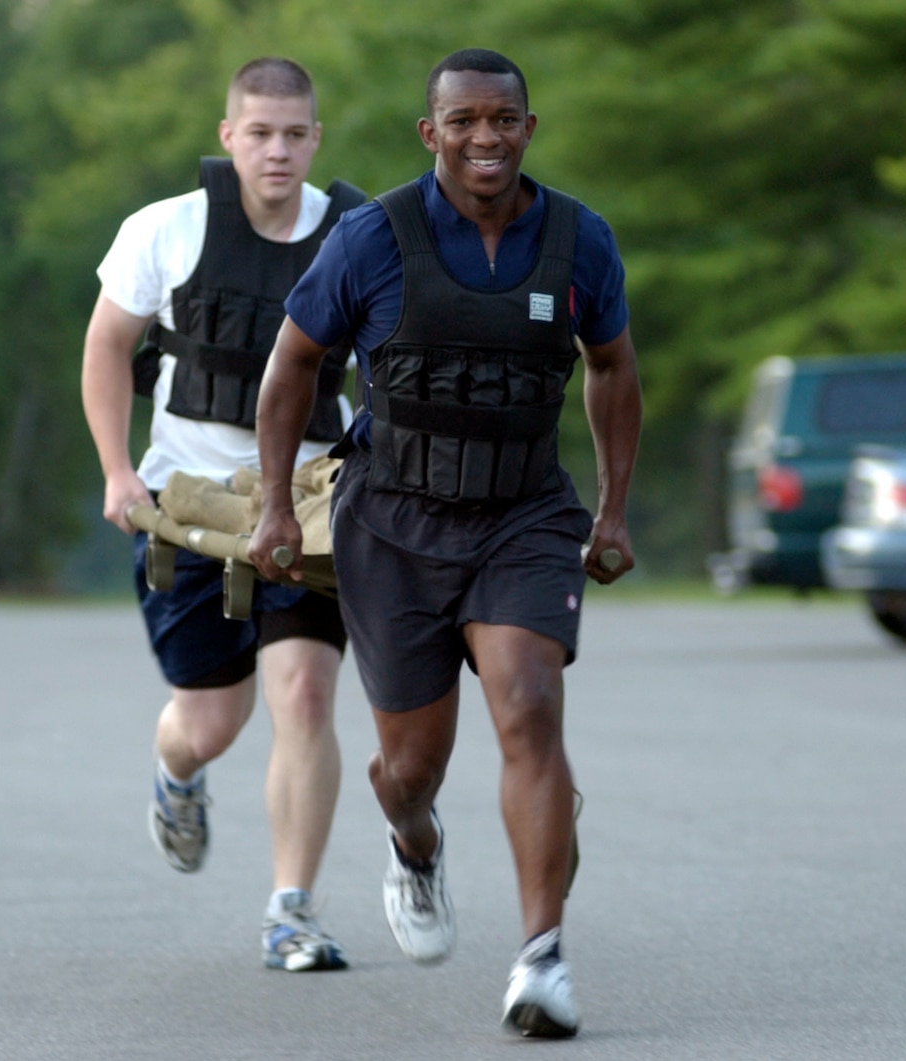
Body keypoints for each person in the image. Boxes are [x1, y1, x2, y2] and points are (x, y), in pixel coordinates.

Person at [249, 49, 643, 1036]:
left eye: (504, 119)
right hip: (393, 522)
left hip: (523, 513)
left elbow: (612, 371)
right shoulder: (371, 238)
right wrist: (274, 508)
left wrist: (613, 507)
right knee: (409, 769)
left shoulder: (579, 241)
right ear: (431, 133)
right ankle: (414, 845)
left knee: (531, 707)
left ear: (528, 127)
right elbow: (293, 365)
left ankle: (541, 959)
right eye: (463, 120)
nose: (485, 138)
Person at [81, 57, 365, 972]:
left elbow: (393, 367)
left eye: (294, 133)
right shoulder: (164, 229)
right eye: (260, 132)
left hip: (311, 502)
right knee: (209, 722)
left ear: (316, 138)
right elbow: (105, 348)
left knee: (306, 694)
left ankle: (293, 909)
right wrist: (118, 470)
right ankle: (177, 775)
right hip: (190, 507)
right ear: (228, 136)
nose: (277, 150)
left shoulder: (357, 236)